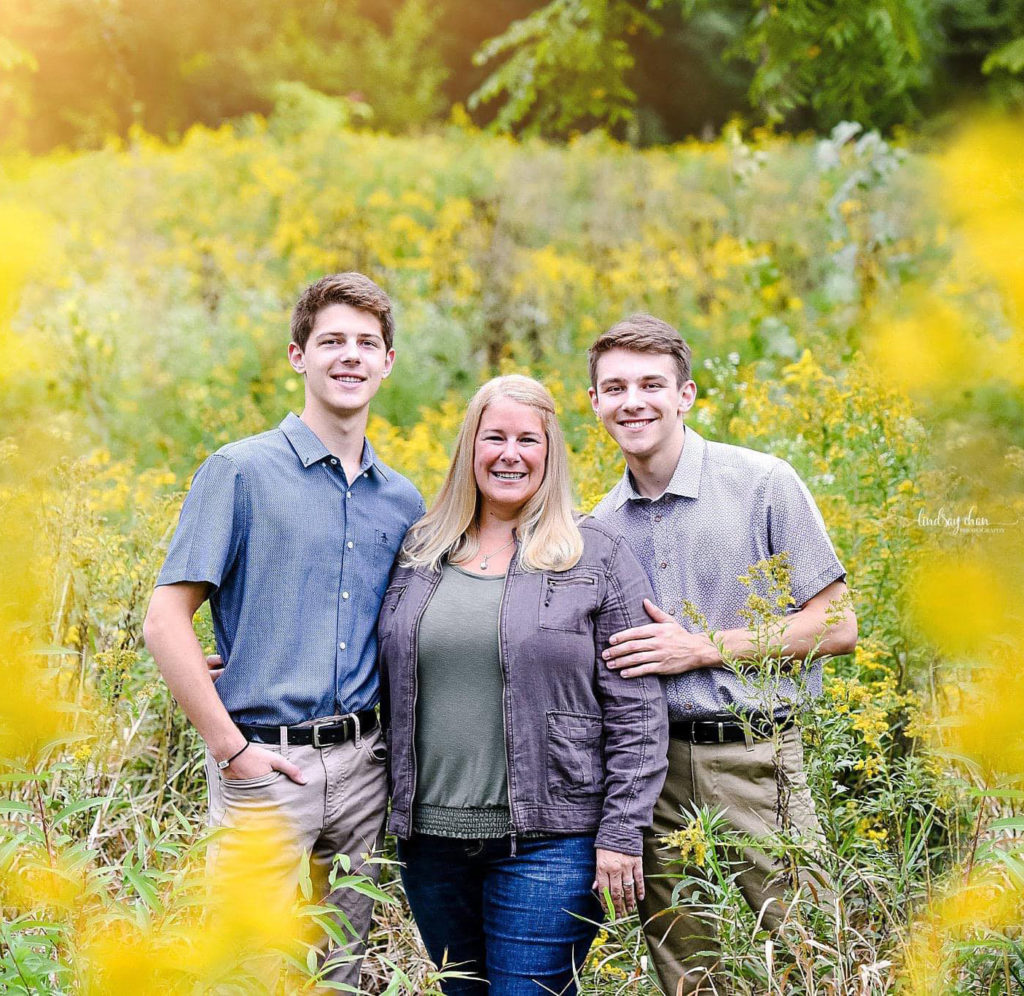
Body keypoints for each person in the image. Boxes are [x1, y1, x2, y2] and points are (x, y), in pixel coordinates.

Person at [143, 272, 424, 987]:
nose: (350, 356)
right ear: (298, 356)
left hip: (364, 768)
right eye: (331, 340)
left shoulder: (402, 498)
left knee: (344, 969)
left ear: (388, 362)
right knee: (246, 968)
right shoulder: (239, 471)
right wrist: (230, 748)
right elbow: (164, 619)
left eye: (367, 342)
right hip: (264, 766)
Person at [586, 315, 858, 995]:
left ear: (686, 394)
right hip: (652, 774)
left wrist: (699, 649)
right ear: (594, 403)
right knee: (688, 972)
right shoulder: (597, 527)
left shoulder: (763, 483)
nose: (633, 401)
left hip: (755, 757)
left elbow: (838, 624)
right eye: (614, 387)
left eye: (652, 383)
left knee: (812, 954)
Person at [377, 374, 669, 995]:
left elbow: (637, 710)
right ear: (469, 448)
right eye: (495, 437)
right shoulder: (419, 552)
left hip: (551, 841)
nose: (510, 454)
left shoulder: (596, 554)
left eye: (528, 440)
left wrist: (620, 832)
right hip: (432, 843)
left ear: (550, 453)